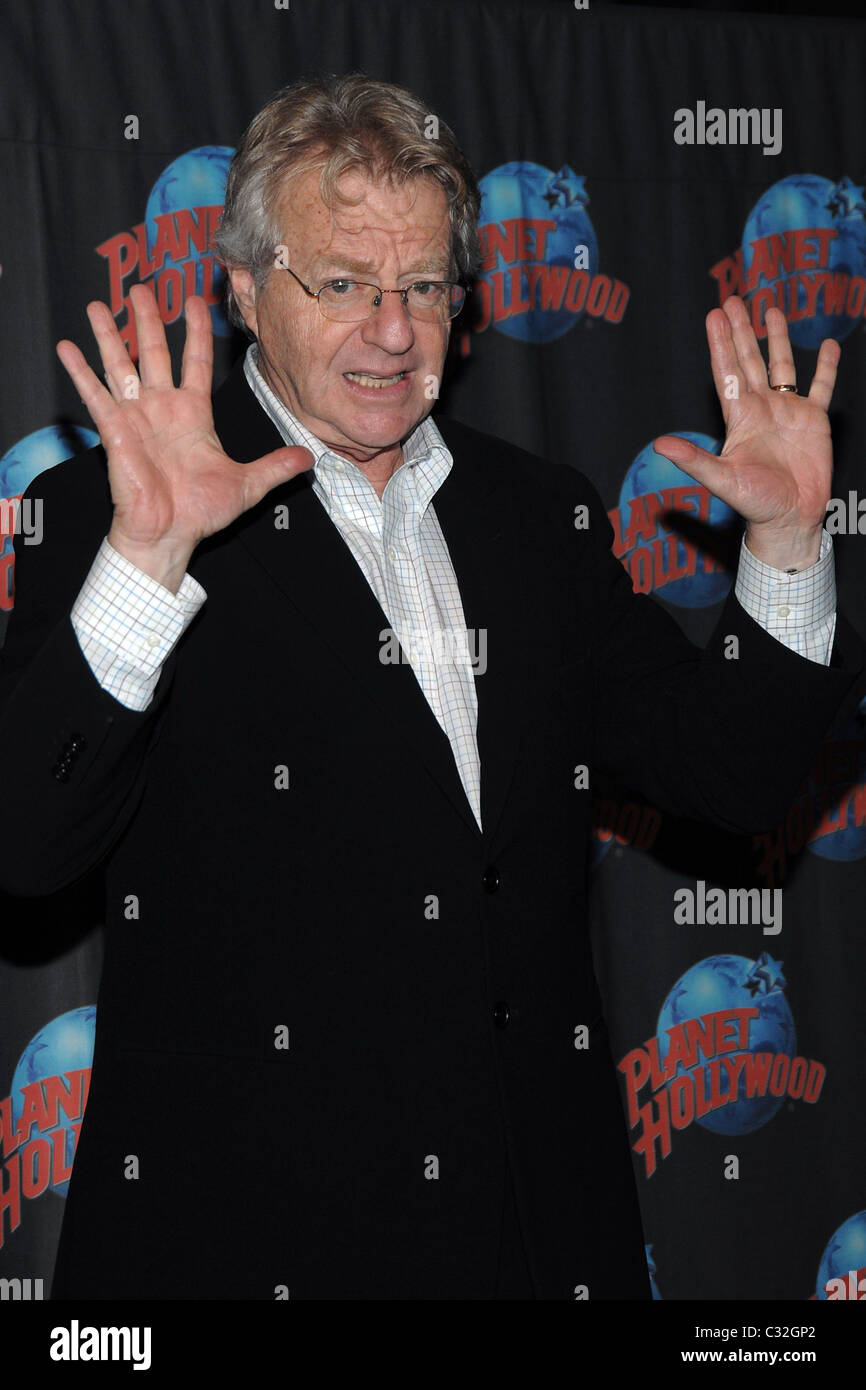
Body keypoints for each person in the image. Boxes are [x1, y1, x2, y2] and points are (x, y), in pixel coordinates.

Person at [1, 73, 863, 1301]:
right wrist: (149, 560)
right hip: (250, 1252)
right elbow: (29, 844)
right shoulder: (110, 515)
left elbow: (730, 775)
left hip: (534, 1242)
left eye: (422, 287)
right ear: (245, 291)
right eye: (343, 284)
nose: (393, 331)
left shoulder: (537, 517)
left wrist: (781, 549)